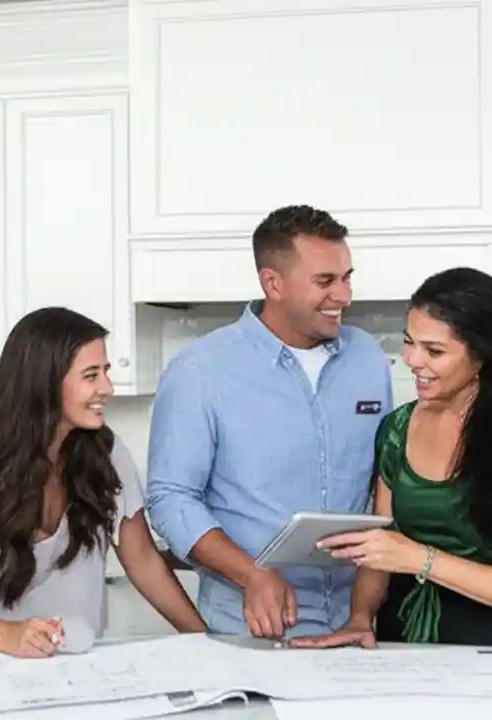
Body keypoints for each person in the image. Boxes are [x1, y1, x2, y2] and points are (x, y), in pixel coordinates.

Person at [290, 267, 492, 649]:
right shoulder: (396, 430)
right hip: (401, 648)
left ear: (482, 357)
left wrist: (420, 559)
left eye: (434, 351)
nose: (412, 360)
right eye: (409, 342)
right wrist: (359, 618)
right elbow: (383, 547)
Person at [146, 204, 393, 640]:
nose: (344, 296)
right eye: (325, 281)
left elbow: (383, 485)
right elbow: (171, 497)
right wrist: (250, 574)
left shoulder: (368, 359)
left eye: (347, 276)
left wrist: (364, 610)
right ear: (272, 283)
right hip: (250, 628)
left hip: (358, 627)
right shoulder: (200, 370)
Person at [0, 306, 206, 659]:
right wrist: (8, 636)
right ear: (45, 383)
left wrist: (206, 641)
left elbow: (143, 560)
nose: (107, 388)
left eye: (106, 372)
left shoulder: (107, 455)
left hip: (81, 668)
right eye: (91, 375)